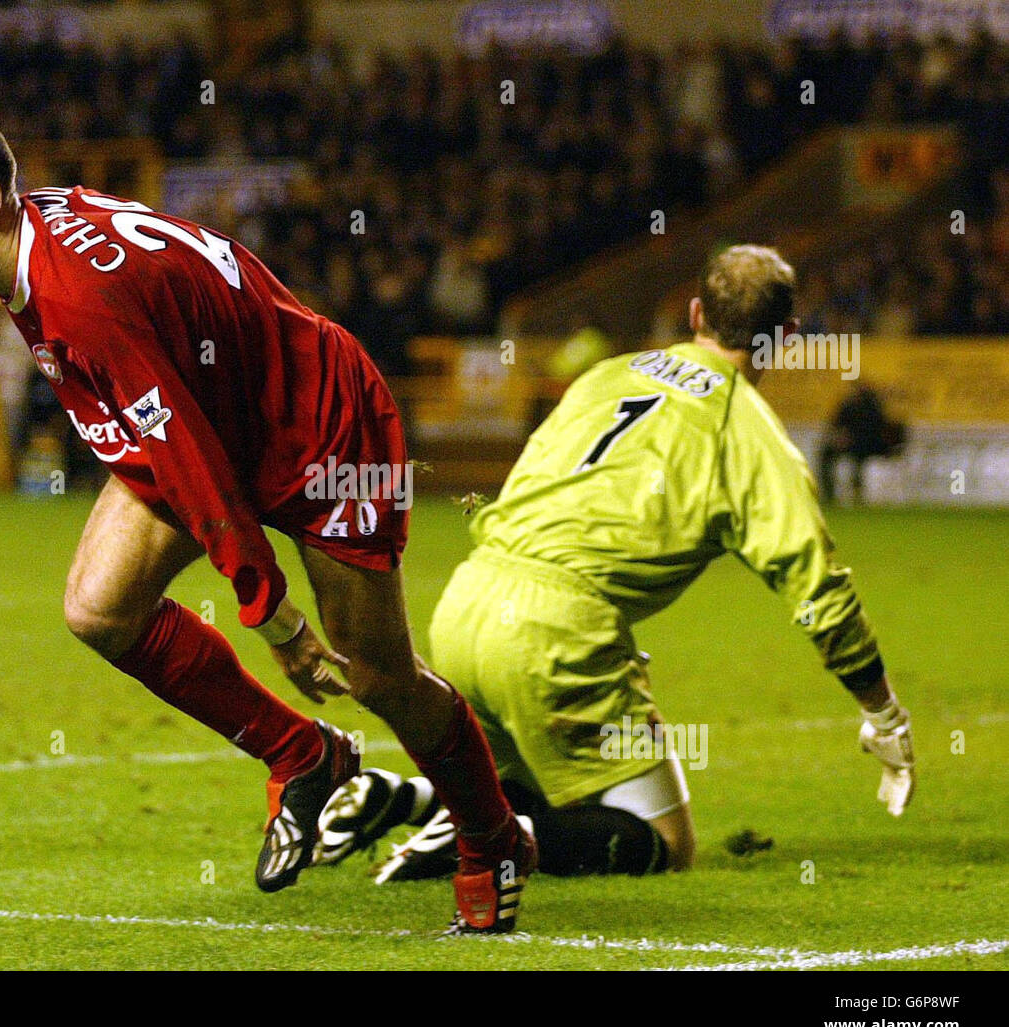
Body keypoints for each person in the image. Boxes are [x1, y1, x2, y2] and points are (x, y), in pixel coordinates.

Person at [0, 111, 534, 933]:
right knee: (99, 606)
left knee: (375, 675)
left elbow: (194, 468)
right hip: (216, 409)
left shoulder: (81, 298)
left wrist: (274, 615)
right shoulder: (32, 232)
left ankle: (493, 839)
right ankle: (303, 753)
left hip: (315, 423)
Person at [319, 245, 914, 882]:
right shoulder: (750, 435)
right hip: (554, 633)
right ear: (788, 336)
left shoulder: (609, 375)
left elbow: (539, 480)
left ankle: (401, 799)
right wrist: (882, 712)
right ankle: (495, 839)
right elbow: (818, 592)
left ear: (694, 313)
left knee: (527, 781)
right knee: (663, 840)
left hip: (469, 599)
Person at [817, 382, 907, 505]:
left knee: (858, 457)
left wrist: (852, 438)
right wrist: (840, 438)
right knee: (826, 455)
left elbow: (877, 429)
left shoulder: (872, 406)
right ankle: (829, 494)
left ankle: (857, 492)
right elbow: (836, 425)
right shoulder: (847, 406)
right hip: (850, 444)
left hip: (868, 445)